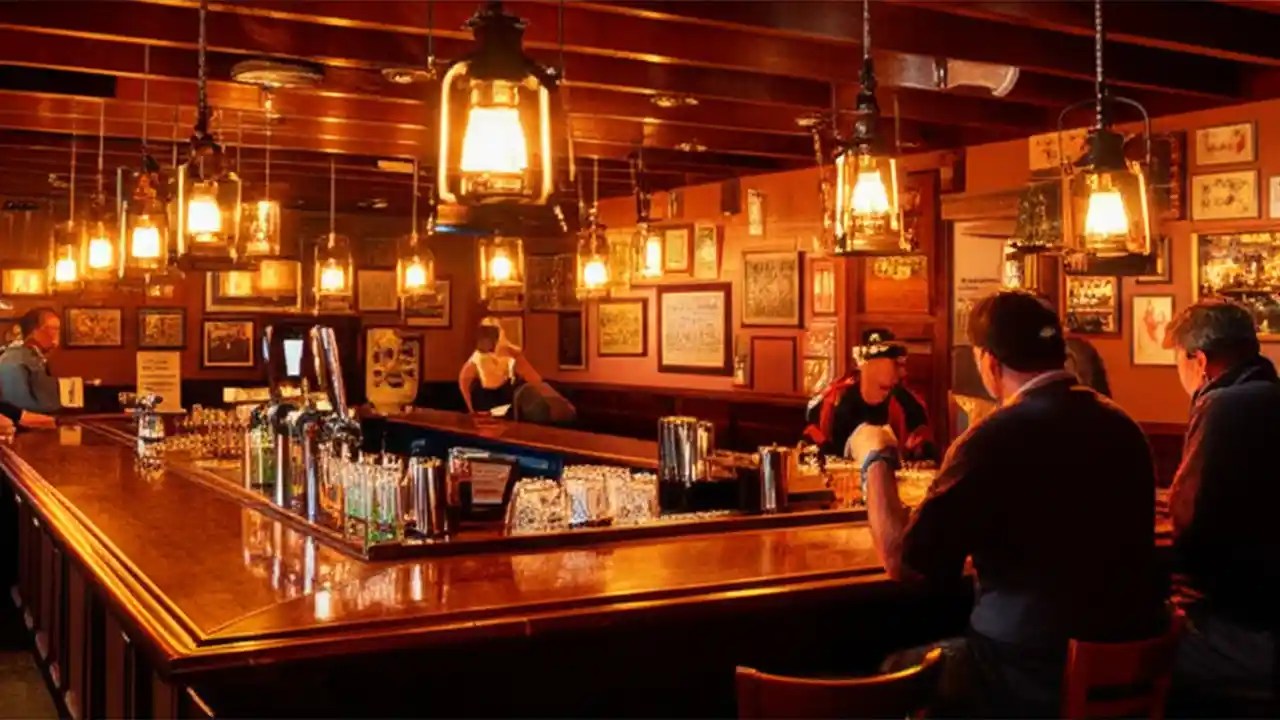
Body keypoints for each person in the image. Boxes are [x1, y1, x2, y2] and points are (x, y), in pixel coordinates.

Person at [856, 290, 1164, 717]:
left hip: (1023, 672)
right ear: (1060, 353)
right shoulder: (1122, 427)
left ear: (989, 363)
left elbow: (904, 563)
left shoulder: (992, 439)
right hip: (1127, 667)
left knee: (892, 673)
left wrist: (876, 457)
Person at [1163, 299, 1278, 717]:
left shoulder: (1224, 406)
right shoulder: (1268, 395)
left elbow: (1191, 517)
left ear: (1199, 360)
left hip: (1244, 625)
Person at [803, 328, 936, 461]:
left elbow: (927, 453)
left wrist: (914, 452)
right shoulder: (834, 400)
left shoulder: (909, 404)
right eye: (892, 361)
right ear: (861, 364)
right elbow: (810, 441)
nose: (901, 371)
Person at [458, 317, 542, 415]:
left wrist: (517, 356)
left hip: (511, 422)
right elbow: (471, 409)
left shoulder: (512, 362)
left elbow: (538, 385)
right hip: (483, 423)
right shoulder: (471, 368)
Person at [0, 307, 62, 415]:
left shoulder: (37, 358)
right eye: (53, 329)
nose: (57, 335)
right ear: (35, 332)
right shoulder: (13, 359)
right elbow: (17, 408)